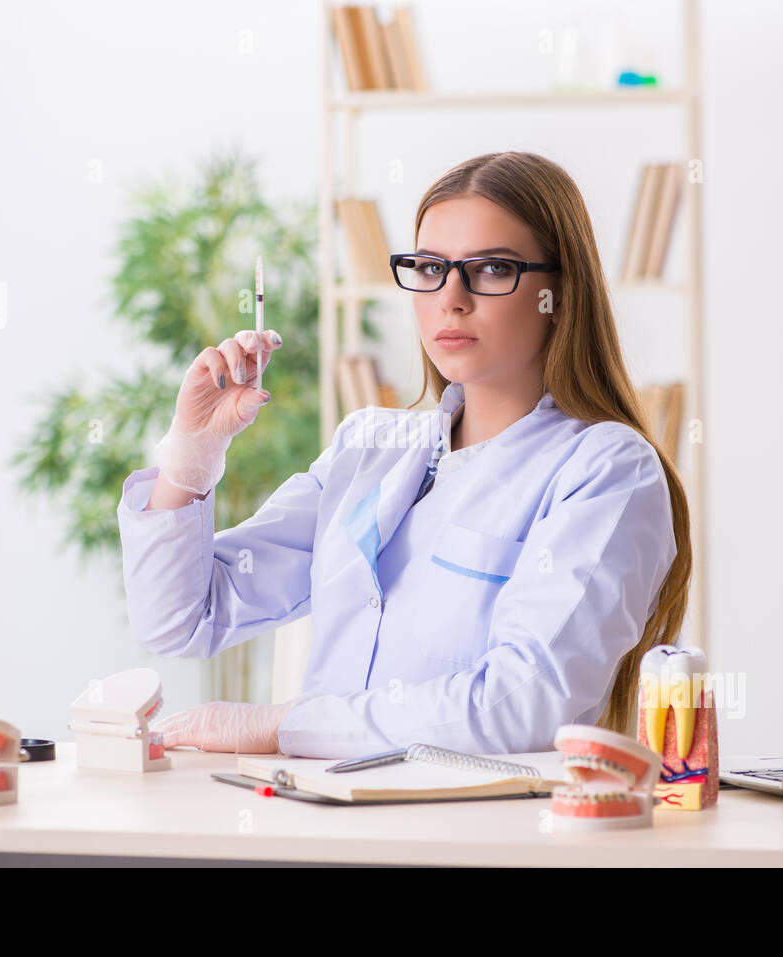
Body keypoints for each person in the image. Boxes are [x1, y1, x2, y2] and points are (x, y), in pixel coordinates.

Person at [117, 151, 692, 759]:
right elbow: (180, 619)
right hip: (327, 821)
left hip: (481, 839)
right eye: (429, 267)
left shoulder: (606, 470)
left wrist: (284, 726)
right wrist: (192, 454)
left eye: (493, 269)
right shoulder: (369, 448)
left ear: (561, 290)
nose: (452, 298)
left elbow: (523, 703)